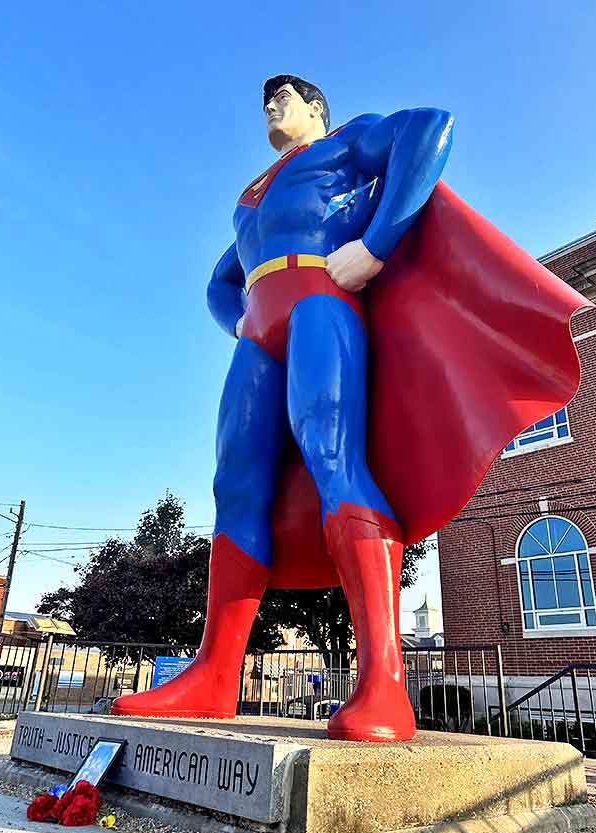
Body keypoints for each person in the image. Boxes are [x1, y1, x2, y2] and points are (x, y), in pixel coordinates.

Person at [112, 75, 453, 741]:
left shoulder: (347, 142)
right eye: (265, 100)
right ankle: (214, 675)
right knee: (234, 485)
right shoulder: (253, 197)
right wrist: (235, 321)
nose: (271, 107)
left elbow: (429, 127)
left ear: (316, 109)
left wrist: (377, 244)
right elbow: (221, 280)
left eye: (284, 98)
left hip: (321, 302)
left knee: (333, 455)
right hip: (259, 332)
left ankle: (384, 682)